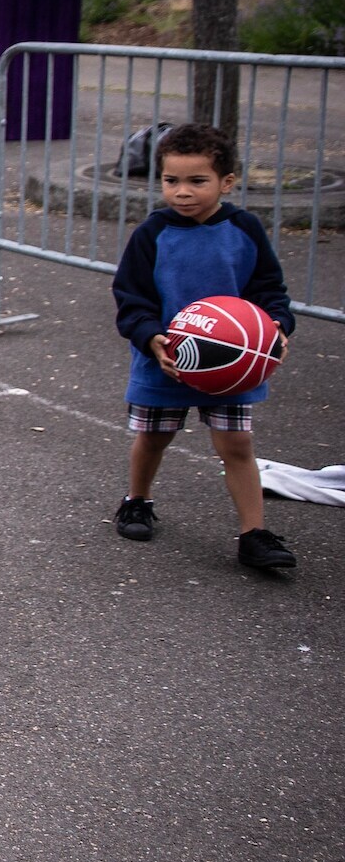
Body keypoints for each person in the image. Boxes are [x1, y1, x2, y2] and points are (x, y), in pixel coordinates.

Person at [112, 123, 297, 570]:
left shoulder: (244, 229)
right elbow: (131, 298)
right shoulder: (152, 233)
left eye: (197, 181)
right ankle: (137, 501)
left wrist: (277, 326)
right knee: (154, 437)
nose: (182, 192)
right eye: (171, 180)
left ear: (226, 182)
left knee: (237, 444)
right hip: (167, 360)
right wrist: (150, 336)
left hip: (233, 363)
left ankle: (253, 533)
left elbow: (269, 289)